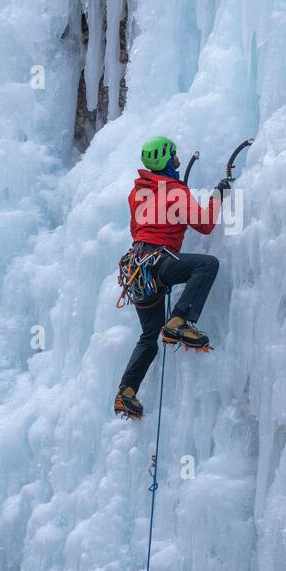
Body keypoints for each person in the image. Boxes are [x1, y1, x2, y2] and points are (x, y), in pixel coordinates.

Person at [114, 136, 229, 420]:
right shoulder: (176, 191)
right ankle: (179, 321)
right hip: (158, 262)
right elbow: (204, 224)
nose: (177, 159)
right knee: (207, 265)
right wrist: (218, 196)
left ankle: (126, 392)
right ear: (167, 160)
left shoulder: (137, 193)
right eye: (174, 156)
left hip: (137, 269)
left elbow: (138, 228)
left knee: (148, 335)